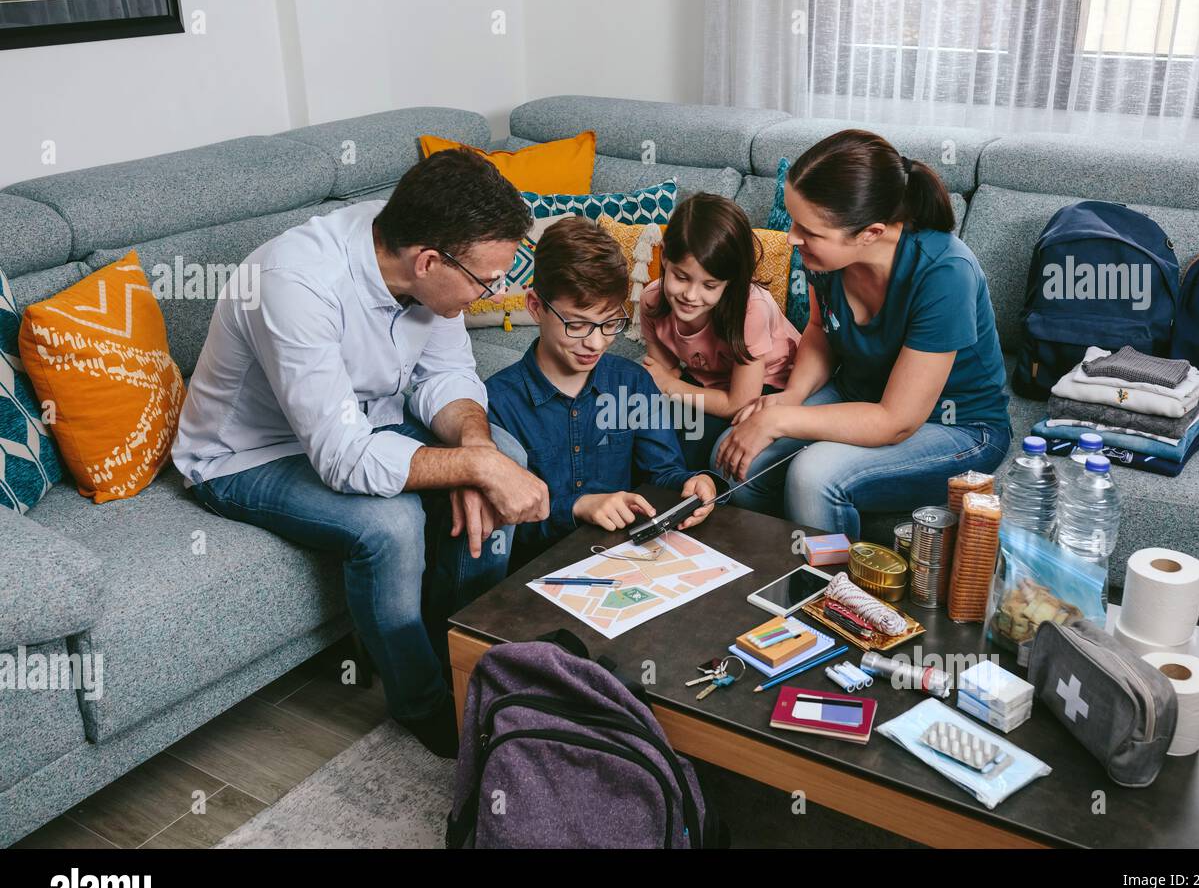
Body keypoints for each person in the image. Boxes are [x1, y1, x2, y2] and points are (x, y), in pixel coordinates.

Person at [172, 148, 549, 757]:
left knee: (506, 451)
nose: (491, 293)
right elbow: (343, 458)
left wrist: (478, 449)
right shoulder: (294, 284)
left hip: (368, 422)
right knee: (391, 523)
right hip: (246, 457)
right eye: (485, 280)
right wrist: (473, 467)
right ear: (429, 261)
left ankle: (463, 664)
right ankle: (425, 706)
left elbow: (446, 376)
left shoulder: (421, 253)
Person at [714, 129, 1011, 537]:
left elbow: (895, 420)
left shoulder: (945, 272)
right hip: (859, 394)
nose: (792, 238)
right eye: (795, 223)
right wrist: (791, 397)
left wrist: (781, 421)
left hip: (957, 426)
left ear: (870, 232)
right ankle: (768, 569)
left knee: (814, 475)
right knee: (732, 455)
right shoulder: (823, 257)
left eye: (810, 231)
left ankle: (826, 594)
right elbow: (820, 329)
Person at [487, 216, 717, 558]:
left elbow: (663, 473)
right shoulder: (497, 403)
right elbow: (500, 526)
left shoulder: (632, 383)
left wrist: (693, 483)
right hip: (533, 577)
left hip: (624, 562)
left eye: (610, 322)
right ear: (535, 307)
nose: (596, 342)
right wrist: (577, 507)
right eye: (577, 324)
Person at [639, 193, 801, 469]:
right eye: (681, 277)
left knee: (691, 452)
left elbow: (739, 402)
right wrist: (667, 387)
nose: (691, 295)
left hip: (766, 385)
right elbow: (661, 374)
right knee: (644, 437)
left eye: (710, 286)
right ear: (664, 256)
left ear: (729, 281)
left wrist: (671, 386)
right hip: (706, 382)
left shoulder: (752, 309)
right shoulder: (651, 300)